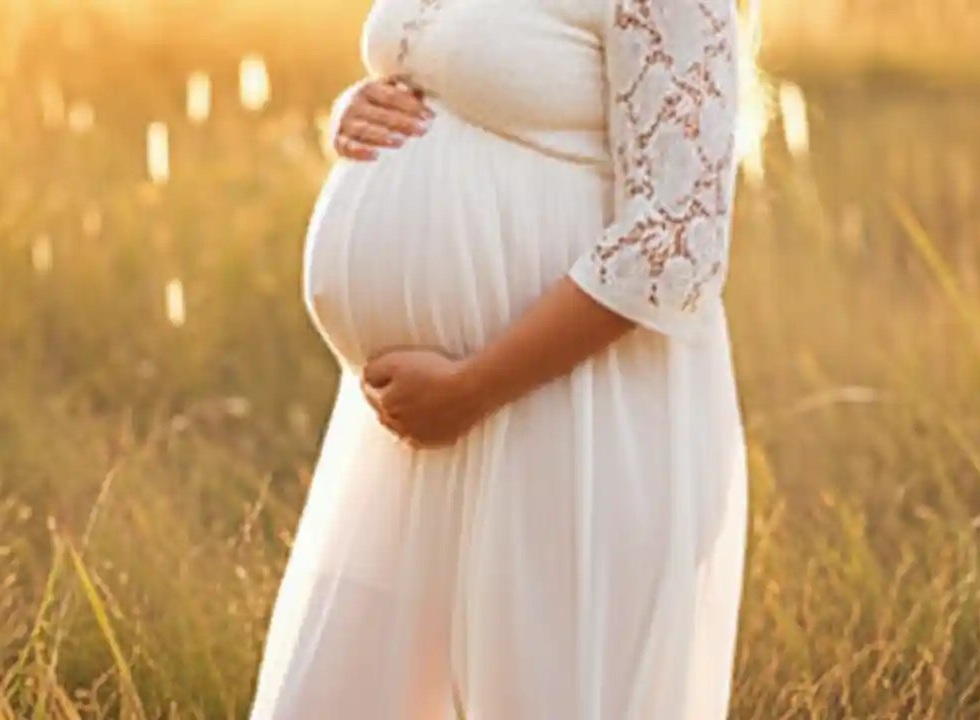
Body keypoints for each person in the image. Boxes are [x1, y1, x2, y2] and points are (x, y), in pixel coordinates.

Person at [251, 0, 749, 717]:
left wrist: (474, 386)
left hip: (568, 412)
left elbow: (679, 239)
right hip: (419, 429)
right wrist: (358, 109)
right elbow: (461, 68)